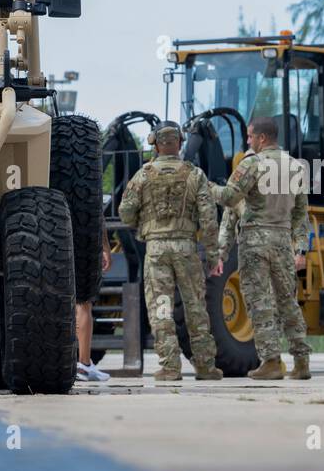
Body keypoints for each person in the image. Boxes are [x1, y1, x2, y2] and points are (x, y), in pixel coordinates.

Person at [207, 116, 312, 380]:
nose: (248, 141)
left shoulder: (251, 164)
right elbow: (301, 213)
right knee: (288, 302)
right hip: (282, 242)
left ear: (262, 138)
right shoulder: (295, 167)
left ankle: (271, 361)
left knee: (259, 302)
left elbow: (230, 199)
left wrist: (207, 187)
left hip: (255, 242)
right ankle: (302, 362)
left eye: (250, 136)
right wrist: (301, 249)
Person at [119, 122, 222, 381]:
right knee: (195, 307)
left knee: (162, 307)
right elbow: (209, 219)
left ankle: (170, 366)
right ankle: (206, 366)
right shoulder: (195, 174)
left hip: (156, 251)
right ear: (179, 143)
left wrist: (142, 223)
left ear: (155, 144)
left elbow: (125, 212)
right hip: (187, 248)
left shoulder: (143, 175)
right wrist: (212, 255)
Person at [75, 213, 112, 382]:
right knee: (83, 303)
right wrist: (105, 246)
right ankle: (83, 364)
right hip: (81, 239)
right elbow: (97, 213)